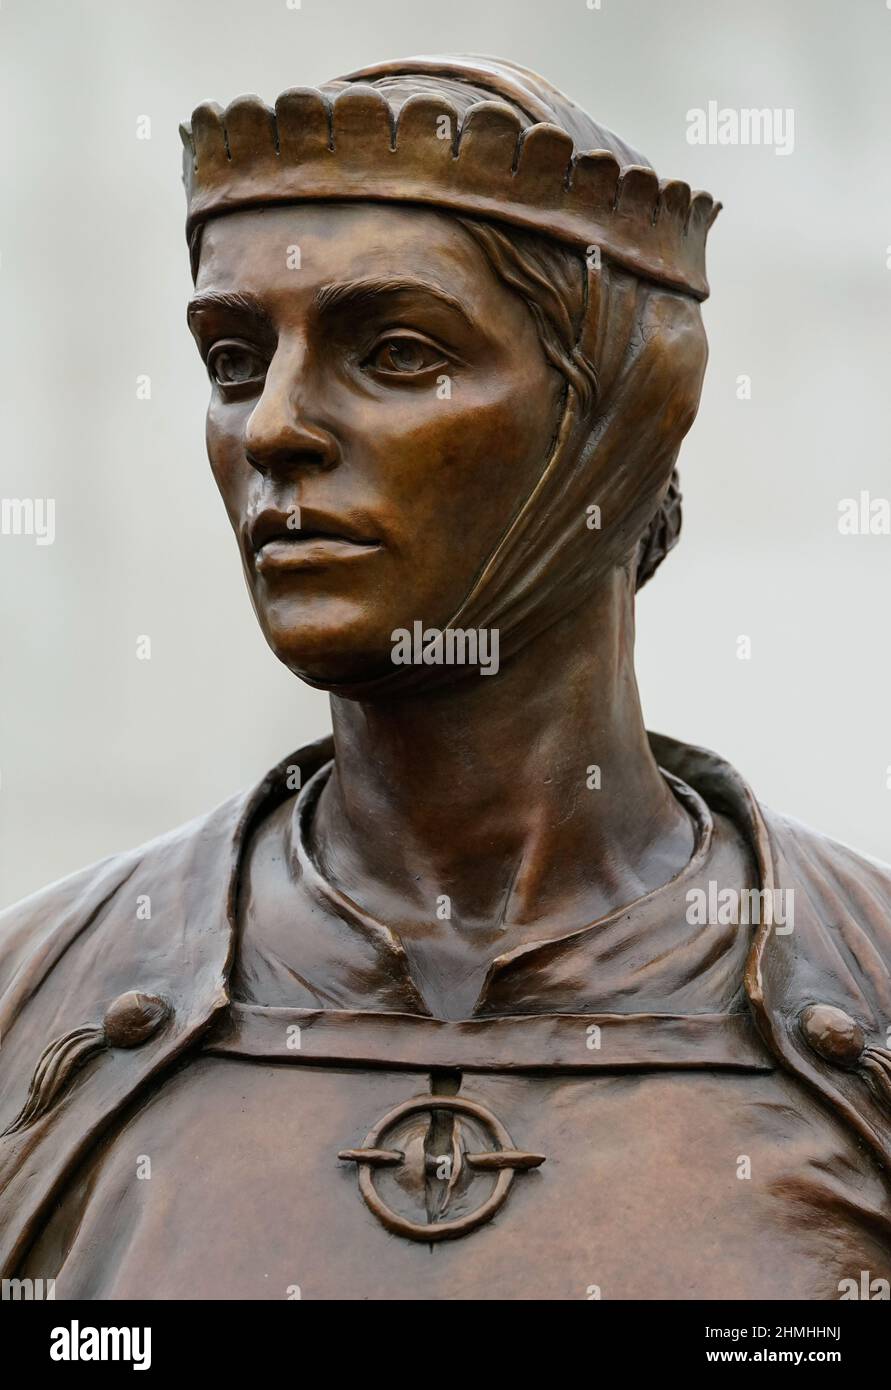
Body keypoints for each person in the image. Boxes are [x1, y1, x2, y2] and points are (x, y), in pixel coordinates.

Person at [1, 55, 890, 1300]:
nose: (274, 429)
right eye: (235, 358)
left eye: (400, 353)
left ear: (617, 424)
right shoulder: (42, 1015)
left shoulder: (861, 1011)